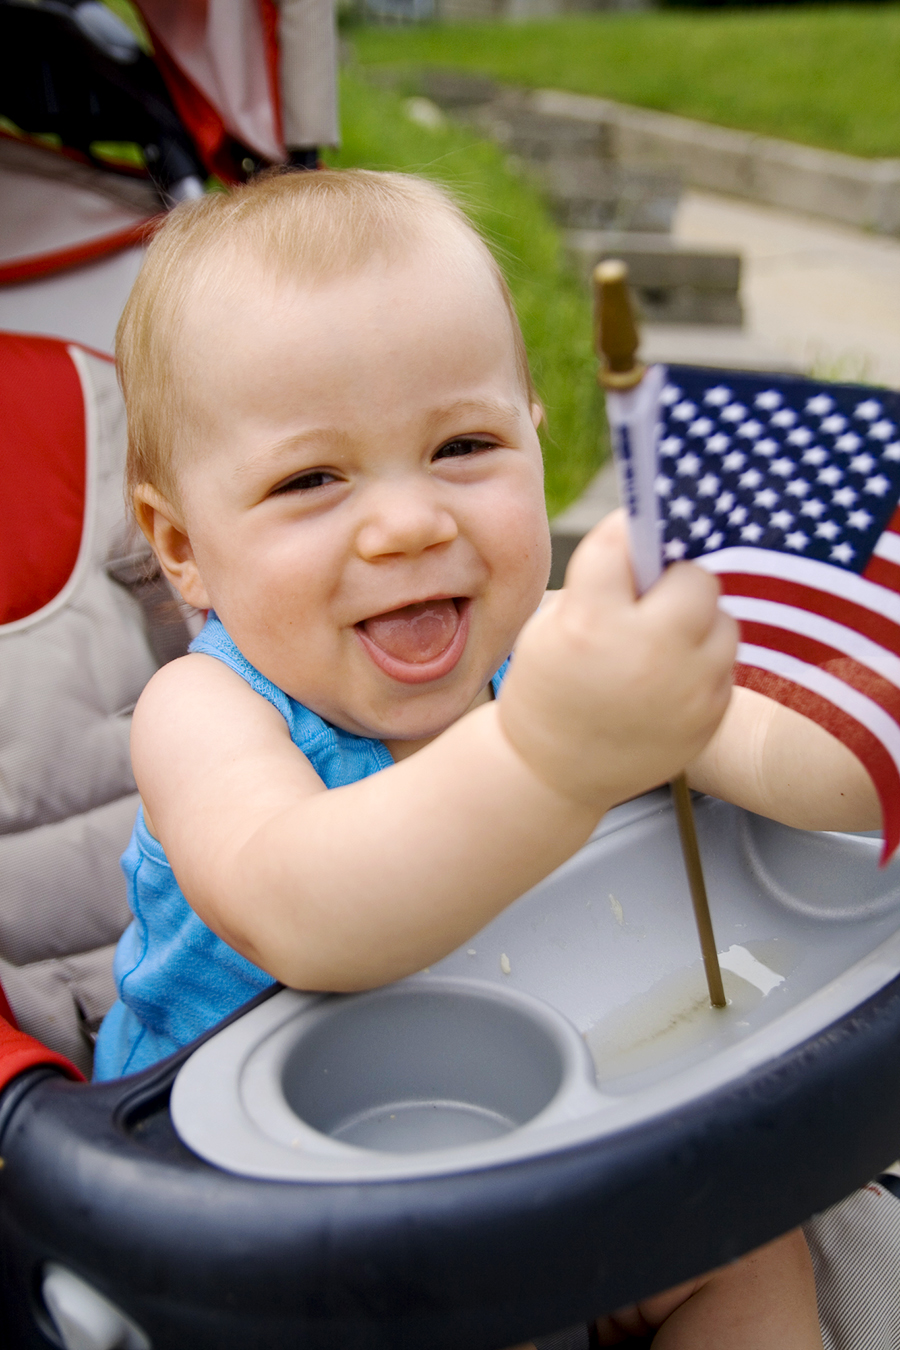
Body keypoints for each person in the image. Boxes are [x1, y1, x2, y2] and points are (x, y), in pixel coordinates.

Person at [94, 168, 876, 1347]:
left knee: (747, 1246)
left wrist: (856, 726)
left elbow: (758, 745)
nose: (409, 522)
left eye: (462, 446)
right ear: (182, 547)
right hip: (263, 1226)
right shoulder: (200, 712)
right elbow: (309, 906)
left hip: (535, 1137)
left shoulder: (549, 656)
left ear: (534, 443)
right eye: (312, 479)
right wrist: (551, 760)